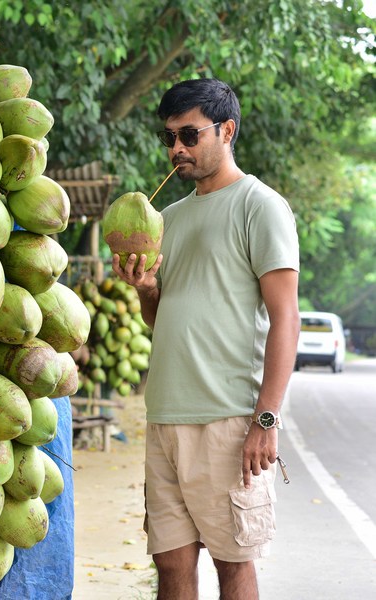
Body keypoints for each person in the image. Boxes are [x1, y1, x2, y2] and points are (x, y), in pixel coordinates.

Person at [112, 78, 300, 599]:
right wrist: (146, 288)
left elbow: (286, 318)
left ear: (227, 131)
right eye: (169, 137)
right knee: (170, 568)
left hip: (228, 421)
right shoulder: (164, 220)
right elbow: (162, 319)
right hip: (165, 418)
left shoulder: (259, 206)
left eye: (189, 135)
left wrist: (266, 419)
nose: (176, 148)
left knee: (233, 565)